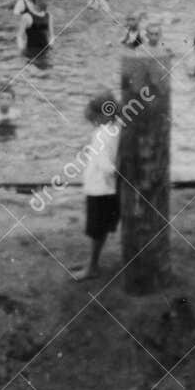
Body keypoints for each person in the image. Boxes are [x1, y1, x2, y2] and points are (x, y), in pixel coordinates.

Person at [69, 92, 121, 282]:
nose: (94, 124)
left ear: (102, 115)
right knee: (101, 229)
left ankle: (92, 267)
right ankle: (92, 261)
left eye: (94, 120)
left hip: (99, 189)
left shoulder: (101, 134)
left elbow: (105, 165)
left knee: (96, 229)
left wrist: (113, 173)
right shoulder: (117, 128)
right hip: (110, 189)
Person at [16, 0, 52, 67]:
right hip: (31, 52)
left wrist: (51, 45)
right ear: (37, 1)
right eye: (46, 1)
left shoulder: (48, 15)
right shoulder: (27, 16)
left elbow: (51, 34)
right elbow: (19, 36)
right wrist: (21, 50)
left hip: (45, 50)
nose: (48, 3)